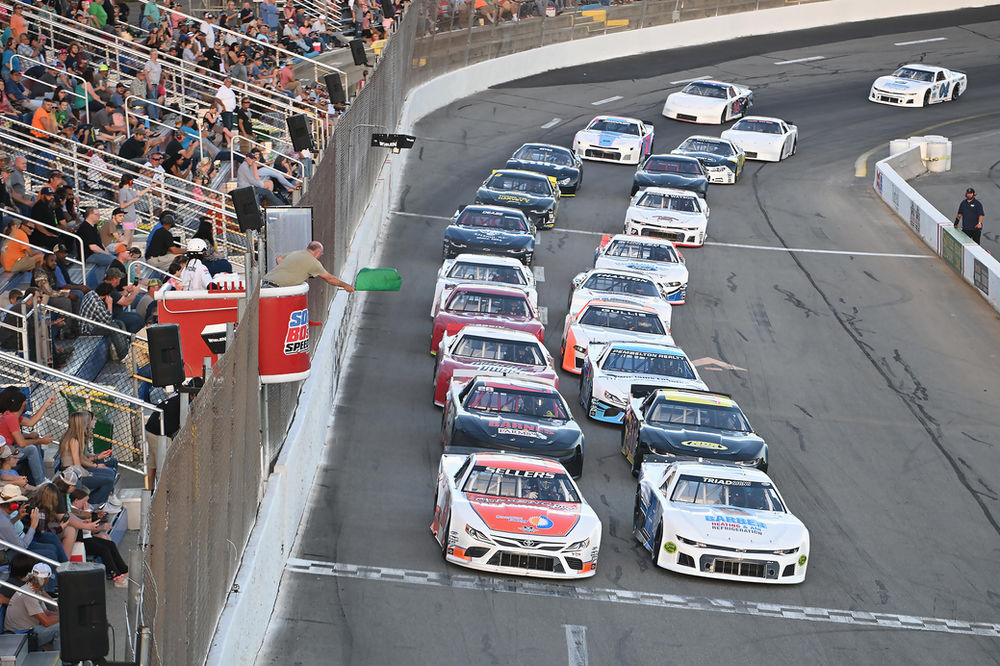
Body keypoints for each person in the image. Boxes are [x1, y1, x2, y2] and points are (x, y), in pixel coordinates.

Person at [57, 410, 119, 506]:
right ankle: (94, 504)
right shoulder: (73, 440)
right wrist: (89, 472)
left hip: (77, 471)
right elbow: (77, 464)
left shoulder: (77, 437)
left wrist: (96, 459)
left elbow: (82, 457)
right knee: (109, 479)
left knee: (110, 472)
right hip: (73, 475)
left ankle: (105, 497)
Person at [68, 486, 128, 584]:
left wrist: (95, 515)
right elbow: (86, 525)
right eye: (84, 501)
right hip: (81, 541)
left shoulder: (79, 509)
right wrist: (89, 513)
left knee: (110, 544)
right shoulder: (73, 511)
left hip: (88, 538)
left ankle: (124, 570)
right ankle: (116, 575)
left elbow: (91, 529)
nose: (86, 504)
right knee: (104, 550)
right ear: (76, 501)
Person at [0, 389, 54, 487]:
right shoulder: (11, 418)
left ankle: (42, 478)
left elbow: (30, 422)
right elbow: (21, 443)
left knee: (34, 445)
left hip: (9, 448)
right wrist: (41, 440)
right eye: (26, 402)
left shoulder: (11, 415)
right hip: (4, 453)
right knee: (31, 449)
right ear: (23, 404)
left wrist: (46, 405)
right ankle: (40, 483)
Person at [3, 562, 60, 650]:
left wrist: (62, 614)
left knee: (60, 623)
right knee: (59, 628)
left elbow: (47, 613)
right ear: (46, 579)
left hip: (28, 630)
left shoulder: (34, 588)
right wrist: (65, 617)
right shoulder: (29, 593)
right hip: (21, 635)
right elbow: (46, 621)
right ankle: (64, 662)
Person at [263, 241, 355, 291]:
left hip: (264, 282)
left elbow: (279, 259)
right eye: (321, 254)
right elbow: (330, 279)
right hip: (274, 289)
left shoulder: (296, 253)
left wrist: (291, 269)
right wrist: (345, 285)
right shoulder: (313, 262)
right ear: (318, 253)